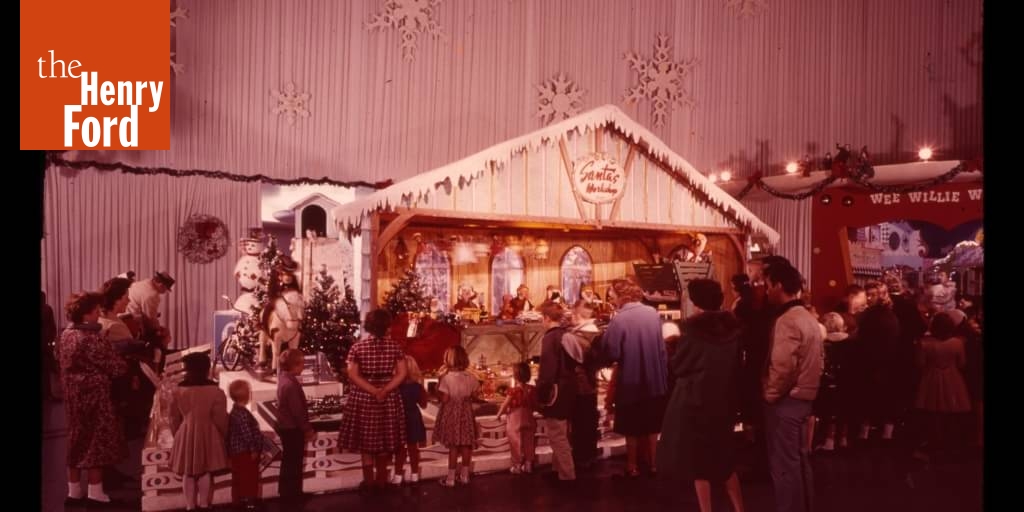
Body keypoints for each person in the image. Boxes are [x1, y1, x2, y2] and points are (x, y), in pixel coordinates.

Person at [658, 279, 745, 512]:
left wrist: (671, 349)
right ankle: (739, 508)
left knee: (699, 464)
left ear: (696, 302)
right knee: (725, 460)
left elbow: (680, 367)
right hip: (724, 402)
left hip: (695, 403)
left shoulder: (692, 332)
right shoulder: (733, 330)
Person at [57, 292, 128, 506]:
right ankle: (96, 494)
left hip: (72, 395)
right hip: (95, 395)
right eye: (96, 311)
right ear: (86, 315)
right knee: (96, 441)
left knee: (76, 439)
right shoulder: (91, 338)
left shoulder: (66, 335)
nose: (99, 314)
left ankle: (74, 492)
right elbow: (117, 367)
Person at [762, 263, 823, 512]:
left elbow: (783, 366)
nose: (765, 292)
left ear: (778, 285)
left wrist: (769, 394)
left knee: (784, 467)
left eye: (767, 286)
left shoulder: (787, 320)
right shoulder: (808, 317)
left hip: (787, 401)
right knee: (799, 462)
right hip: (804, 398)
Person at [602, 278, 668, 477]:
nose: (610, 298)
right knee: (652, 425)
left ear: (621, 294)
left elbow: (611, 352)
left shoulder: (619, 319)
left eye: (611, 293)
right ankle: (655, 463)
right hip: (655, 380)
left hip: (631, 380)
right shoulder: (653, 314)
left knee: (631, 426)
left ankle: (632, 466)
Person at [337, 309, 408, 491]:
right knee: (384, 440)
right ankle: (382, 481)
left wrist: (373, 390)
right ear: (386, 326)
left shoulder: (357, 347)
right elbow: (402, 373)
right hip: (389, 397)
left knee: (366, 443)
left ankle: (369, 483)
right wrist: (384, 390)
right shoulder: (395, 347)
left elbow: (353, 375)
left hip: (363, 397)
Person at [170, 353, 228, 512]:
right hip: (209, 433)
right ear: (206, 369)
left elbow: (173, 417)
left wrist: (177, 435)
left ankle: (190, 506)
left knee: (187, 472)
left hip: (185, 431)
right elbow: (220, 418)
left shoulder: (178, 391)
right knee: (206, 470)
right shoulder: (216, 391)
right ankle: (204, 504)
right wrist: (221, 435)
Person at [537, 302, 579, 482]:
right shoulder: (566, 334)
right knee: (562, 431)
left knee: (557, 435)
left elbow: (548, 368)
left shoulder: (549, 338)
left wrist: (541, 393)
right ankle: (558, 469)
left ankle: (567, 475)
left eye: (542, 318)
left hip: (555, 390)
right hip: (569, 388)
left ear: (547, 318)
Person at [433, 346, 480, 487]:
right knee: (466, 445)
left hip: (452, 413)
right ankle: (465, 475)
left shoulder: (446, 378)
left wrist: (438, 388)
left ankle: (451, 478)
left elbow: (445, 399)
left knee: (453, 447)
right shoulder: (471, 377)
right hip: (466, 412)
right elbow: (475, 395)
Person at [276, 349, 315, 502]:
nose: (304, 367)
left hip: (287, 427)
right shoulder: (291, 384)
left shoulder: (284, 379)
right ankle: (292, 494)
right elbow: (297, 411)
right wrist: (307, 428)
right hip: (292, 429)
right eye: (302, 364)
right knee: (294, 462)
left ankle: (288, 492)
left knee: (289, 461)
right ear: (295, 365)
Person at [227, 380, 264, 510]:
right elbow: (247, 434)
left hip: (236, 452)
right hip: (245, 452)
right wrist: (253, 449)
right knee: (250, 478)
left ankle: (237, 502)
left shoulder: (234, 411)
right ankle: (250, 503)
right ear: (247, 395)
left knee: (237, 478)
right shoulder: (242, 414)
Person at [496, 362, 538, 475]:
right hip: (529, 417)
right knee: (529, 441)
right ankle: (528, 464)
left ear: (515, 376)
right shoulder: (532, 389)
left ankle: (517, 465)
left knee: (515, 442)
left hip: (515, 419)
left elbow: (505, 404)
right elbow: (535, 404)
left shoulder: (513, 391)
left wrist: (499, 415)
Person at [393, 355, 428, 484]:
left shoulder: (395, 387)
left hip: (399, 417)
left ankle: (397, 476)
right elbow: (424, 404)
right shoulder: (417, 387)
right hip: (413, 417)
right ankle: (414, 475)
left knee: (400, 449)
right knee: (413, 448)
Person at [42, 291, 58, 401]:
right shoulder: (47, 309)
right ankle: (47, 395)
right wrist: (51, 341)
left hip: (44, 343)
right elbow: (52, 327)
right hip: (44, 343)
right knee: (45, 371)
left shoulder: (46, 309)